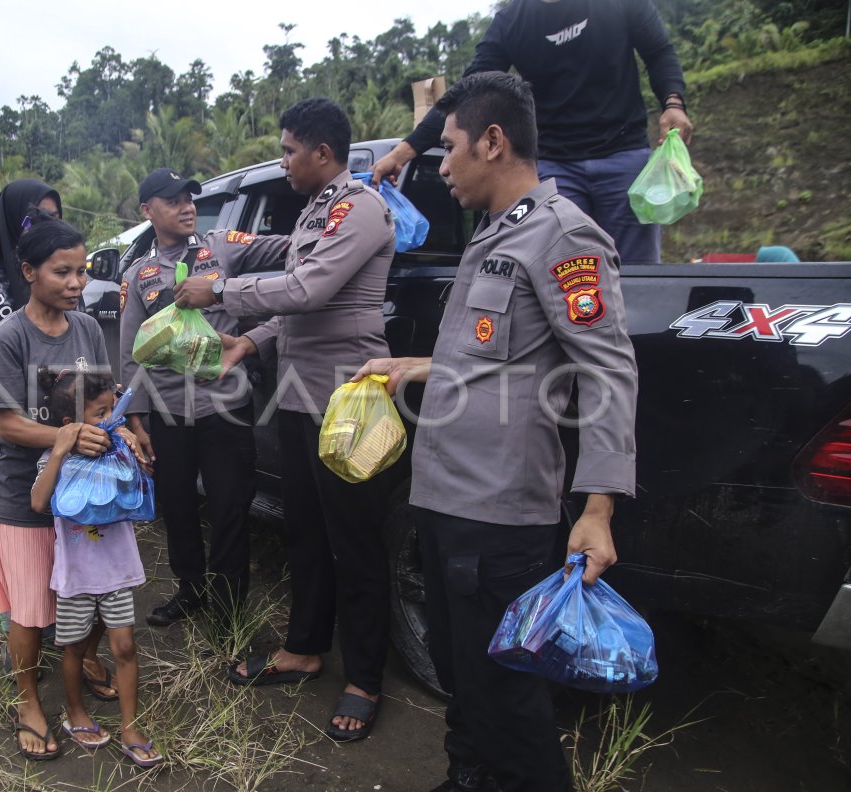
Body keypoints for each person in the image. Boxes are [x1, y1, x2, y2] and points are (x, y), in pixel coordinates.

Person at [355, 72, 638, 792]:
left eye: (447, 148)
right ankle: (468, 776)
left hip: (499, 513)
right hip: (444, 498)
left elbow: (607, 372)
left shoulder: (564, 235)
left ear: (493, 140)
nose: (440, 165)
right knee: (460, 673)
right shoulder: (494, 234)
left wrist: (600, 508)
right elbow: (495, 360)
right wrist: (418, 365)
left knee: (505, 692)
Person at [174, 97, 396, 742]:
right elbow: (298, 307)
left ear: (322, 153)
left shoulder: (360, 208)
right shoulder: (316, 212)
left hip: (347, 399)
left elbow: (310, 290)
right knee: (304, 529)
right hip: (301, 396)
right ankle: (304, 648)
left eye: (289, 149)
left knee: (354, 539)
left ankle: (364, 677)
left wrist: (219, 291)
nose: (284, 160)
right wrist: (252, 340)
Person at [371, 0, 693, 266]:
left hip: (624, 157)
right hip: (556, 167)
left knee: (636, 274)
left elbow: (659, 52)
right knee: (564, 271)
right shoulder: (512, 22)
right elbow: (468, 93)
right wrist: (404, 151)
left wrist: (673, 103)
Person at [119, 167, 288, 629]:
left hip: (226, 407)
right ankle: (190, 588)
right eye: (172, 200)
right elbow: (131, 355)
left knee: (230, 506)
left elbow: (289, 249)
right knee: (176, 505)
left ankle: (228, 609)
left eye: (189, 197)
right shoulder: (139, 275)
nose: (186, 206)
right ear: (147, 211)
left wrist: (332, 231)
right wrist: (136, 421)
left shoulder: (223, 246)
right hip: (169, 412)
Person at [0, 219, 118, 761]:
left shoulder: (86, 329)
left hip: (83, 493)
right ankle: (28, 700)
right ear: (29, 272)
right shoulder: (9, 337)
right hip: (26, 495)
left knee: (88, 593)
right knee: (31, 609)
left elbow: (102, 399)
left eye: (81, 271)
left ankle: (80, 658)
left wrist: (122, 430)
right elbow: (9, 424)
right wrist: (68, 436)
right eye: (63, 272)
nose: (76, 283)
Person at [29, 370, 162, 768]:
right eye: (101, 412)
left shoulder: (121, 447)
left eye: (112, 410)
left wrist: (134, 449)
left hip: (117, 570)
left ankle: (130, 726)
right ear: (70, 424)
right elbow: (38, 503)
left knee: (125, 646)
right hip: (77, 575)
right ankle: (75, 713)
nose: (111, 419)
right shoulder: (57, 455)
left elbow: (142, 487)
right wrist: (59, 450)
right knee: (74, 647)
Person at [0, 179, 62, 530]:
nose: (47, 227)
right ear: (13, 220)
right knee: (4, 520)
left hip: (56, 417)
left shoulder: (59, 275)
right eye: (36, 219)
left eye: (54, 218)